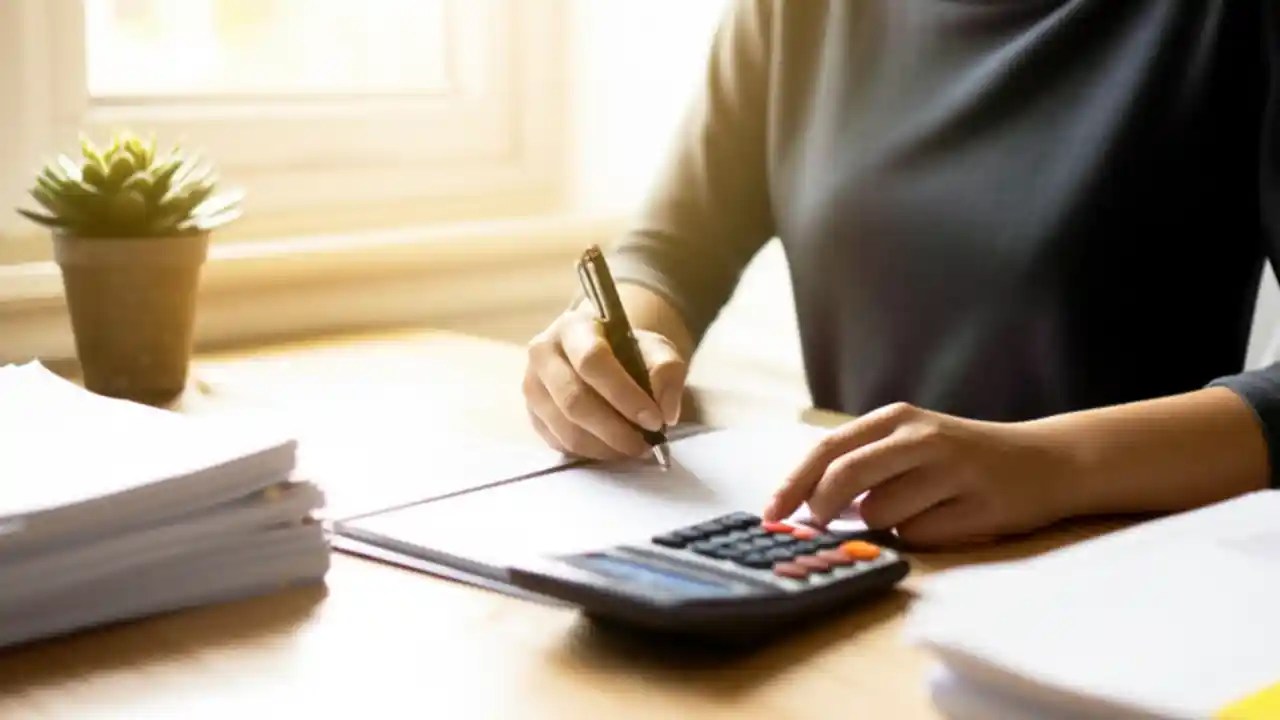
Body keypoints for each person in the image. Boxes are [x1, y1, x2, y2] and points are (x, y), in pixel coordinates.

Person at [523, 1, 1280, 547]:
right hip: (848, 562)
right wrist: (608, 352)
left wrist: (1052, 464)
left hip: (1108, 579)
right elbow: (674, 247)